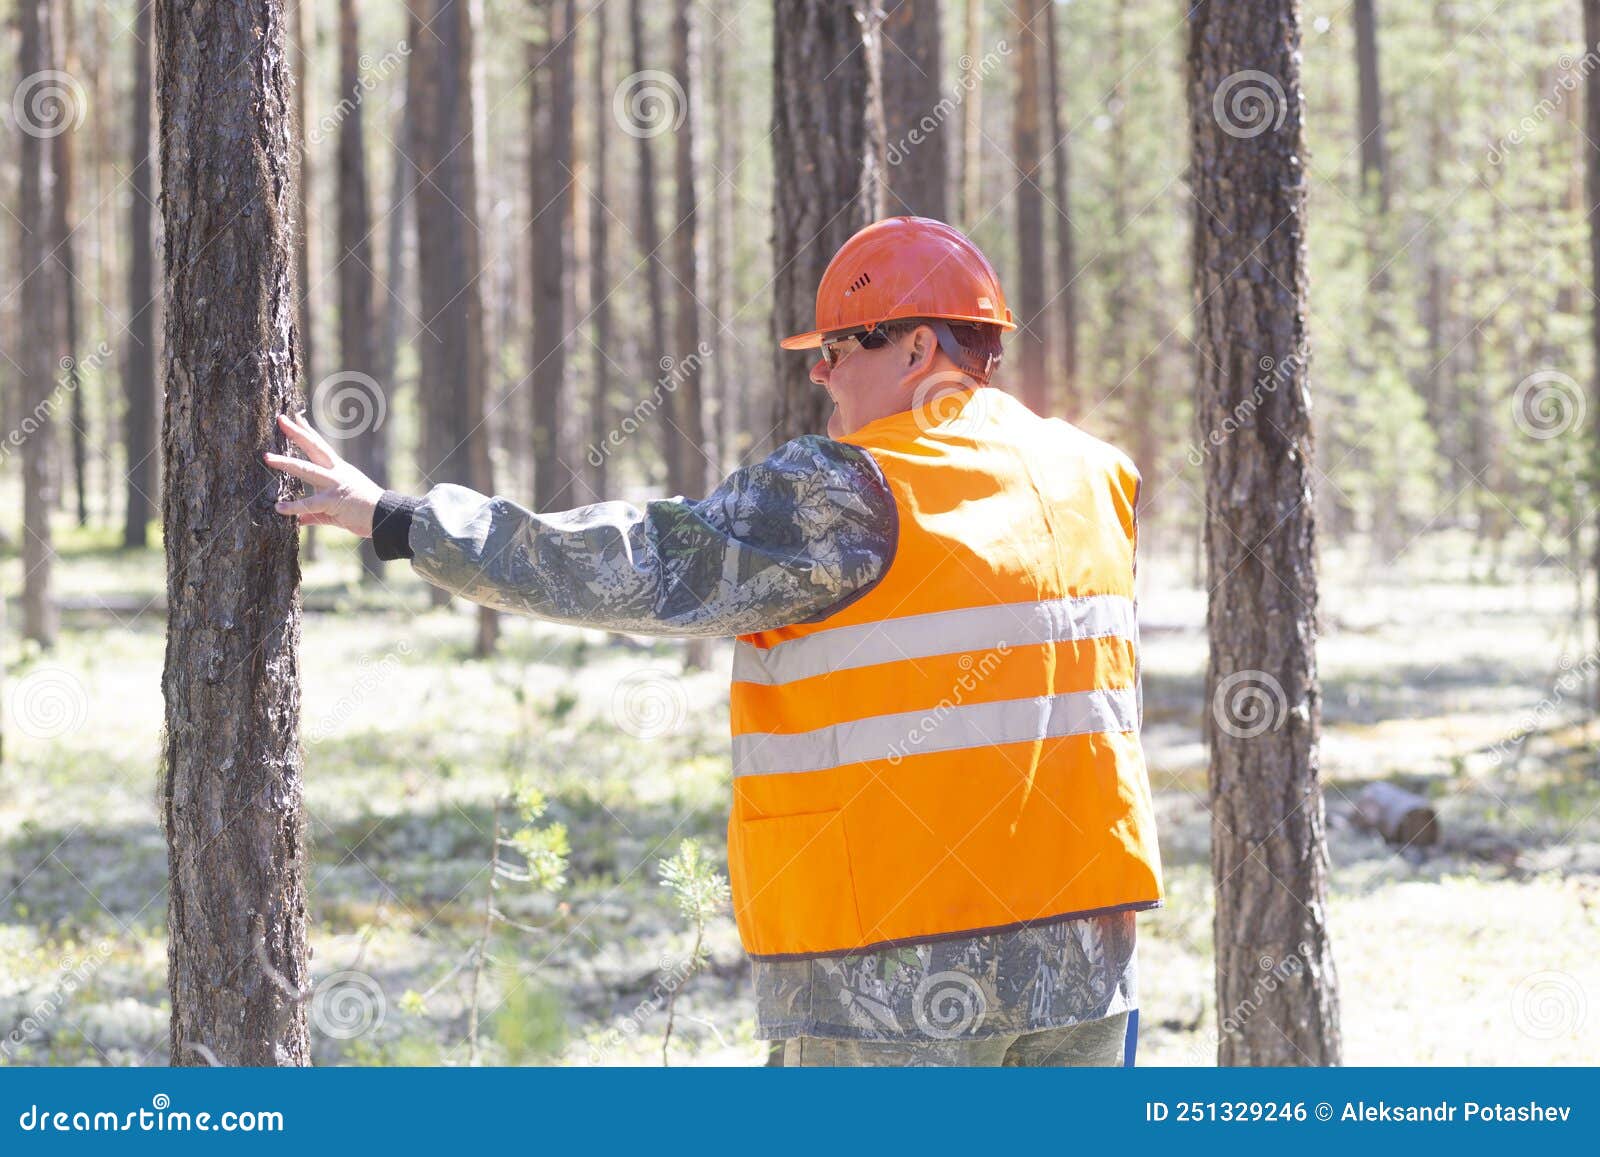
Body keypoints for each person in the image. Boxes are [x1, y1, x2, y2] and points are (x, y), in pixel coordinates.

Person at [265, 216, 1164, 1067]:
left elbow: (631, 563)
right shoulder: (1091, 472)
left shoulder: (851, 486)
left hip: (897, 963)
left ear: (920, 349)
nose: (823, 377)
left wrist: (395, 519)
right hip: (1089, 958)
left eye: (838, 351)